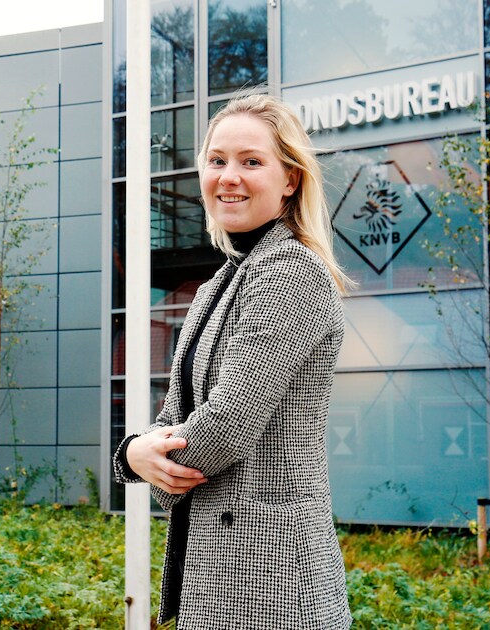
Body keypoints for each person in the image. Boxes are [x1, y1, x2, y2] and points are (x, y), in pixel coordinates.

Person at [113, 93, 353, 629]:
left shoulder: (290, 272)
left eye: (251, 161)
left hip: (274, 584)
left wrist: (134, 456)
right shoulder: (220, 282)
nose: (229, 177)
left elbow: (224, 426)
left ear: (290, 179)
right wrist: (145, 453)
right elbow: (176, 413)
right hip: (220, 571)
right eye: (217, 160)